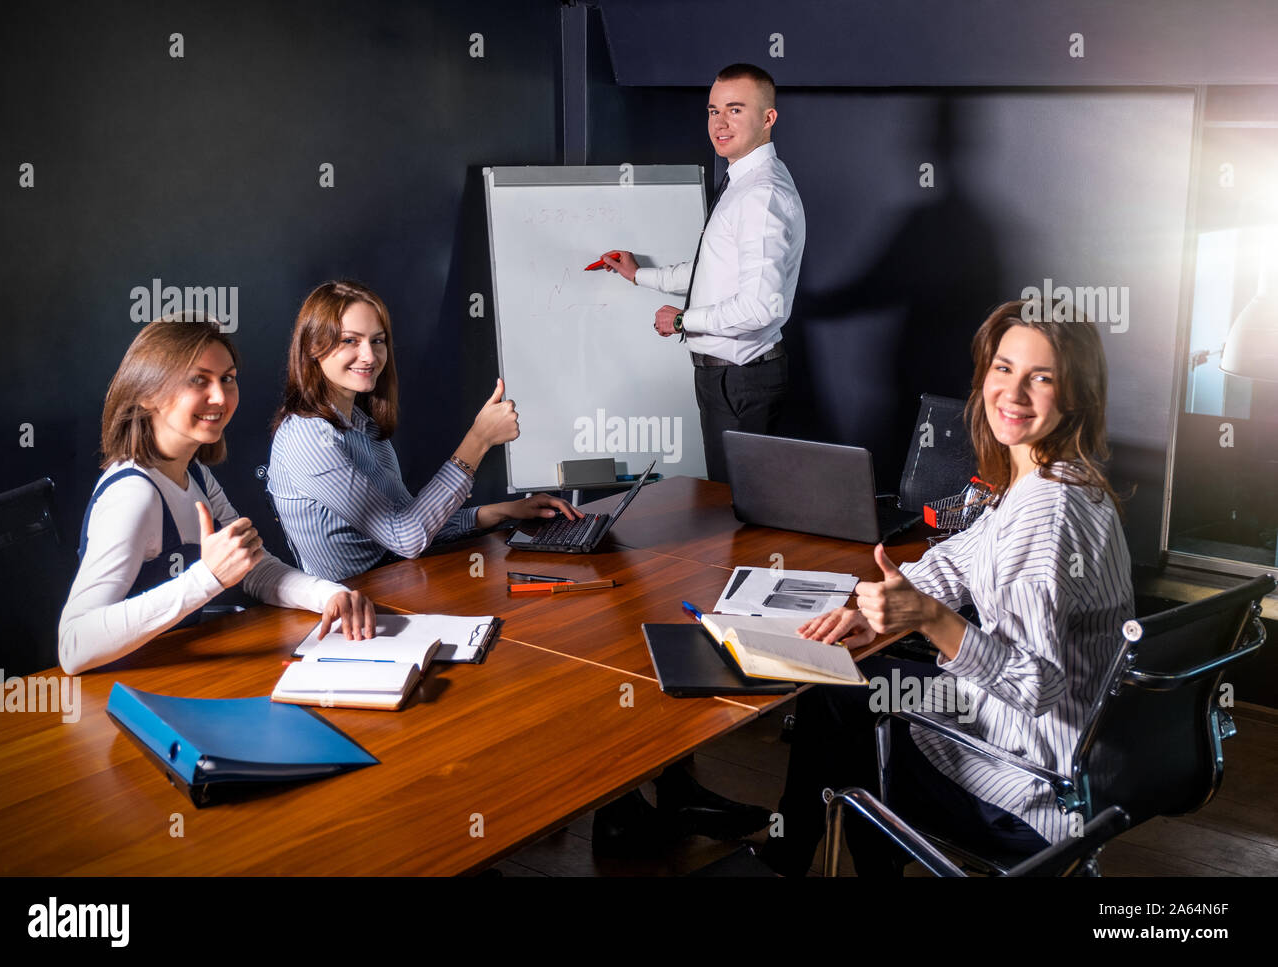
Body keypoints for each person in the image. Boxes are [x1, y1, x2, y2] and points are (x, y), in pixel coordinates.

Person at [760, 298, 1134, 876]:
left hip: (1025, 790)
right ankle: (797, 856)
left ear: (1077, 393)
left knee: (838, 704)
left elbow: (1038, 686)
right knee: (855, 688)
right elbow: (965, 555)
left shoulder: (1048, 514)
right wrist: (881, 604)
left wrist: (929, 618)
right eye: (1004, 368)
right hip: (1066, 759)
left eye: (1043, 378)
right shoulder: (1060, 476)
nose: (1012, 393)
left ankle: (791, 859)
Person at [59, 317, 376, 677]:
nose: (220, 397)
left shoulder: (194, 473)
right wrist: (207, 577)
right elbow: (73, 646)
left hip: (178, 672)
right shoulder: (133, 494)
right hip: (123, 691)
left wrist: (329, 595)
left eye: (227, 378)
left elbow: (253, 570)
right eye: (199, 380)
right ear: (147, 394)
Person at [267, 280, 580, 582]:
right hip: (358, 613)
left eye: (377, 340)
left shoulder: (363, 426)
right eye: (350, 340)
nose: (369, 356)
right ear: (312, 347)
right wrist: (479, 440)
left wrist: (504, 511)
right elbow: (407, 539)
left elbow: (413, 522)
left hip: (400, 585)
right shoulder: (306, 438)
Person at [598, 63, 805, 484]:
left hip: (739, 382)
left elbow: (762, 307)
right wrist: (641, 276)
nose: (720, 123)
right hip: (731, 379)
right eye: (713, 111)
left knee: (742, 512)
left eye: (735, 109)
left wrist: (680, 320)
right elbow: (718, 270)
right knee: (736, 508)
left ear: (768, 118)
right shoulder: (746, 182)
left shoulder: (760, 194)